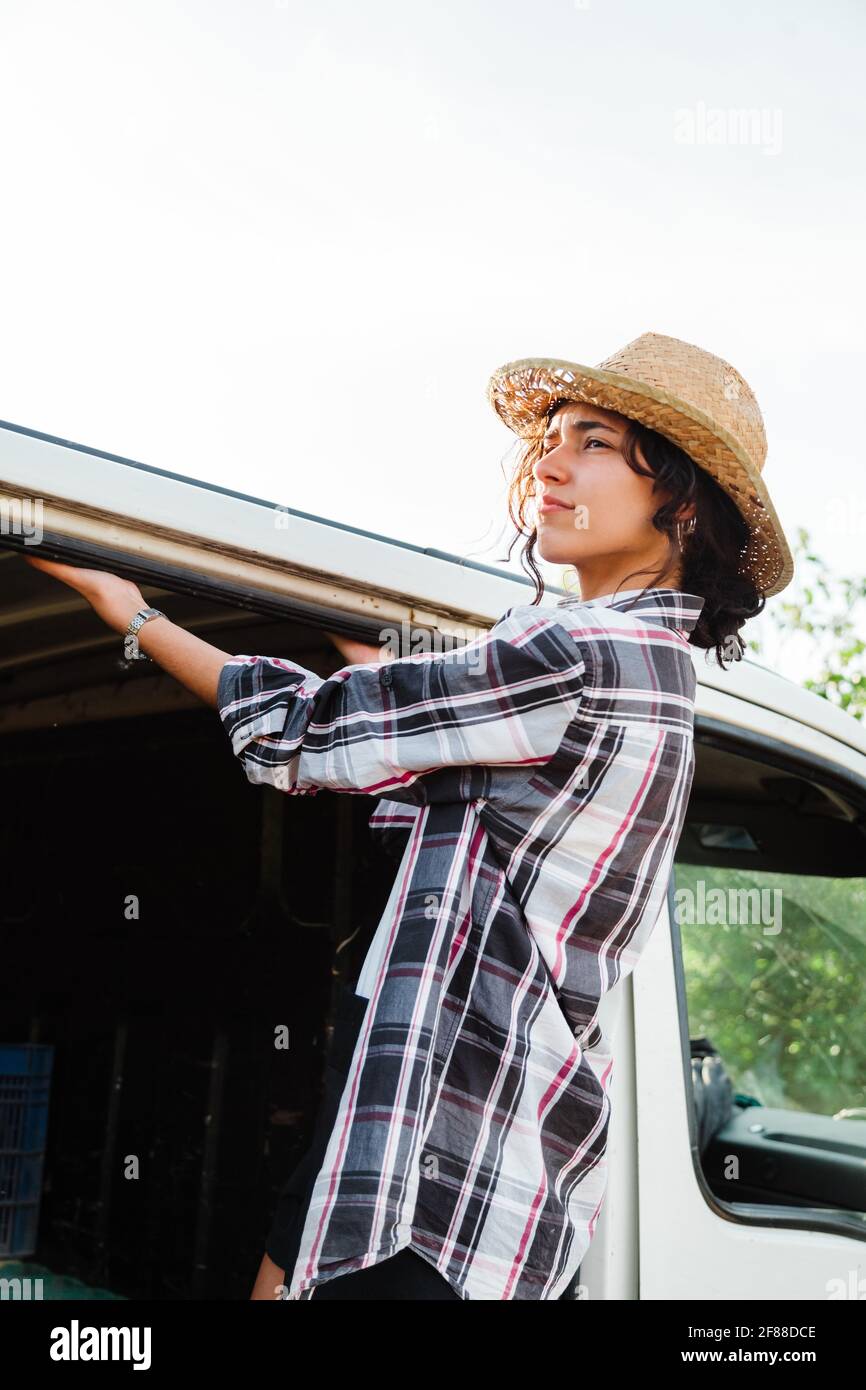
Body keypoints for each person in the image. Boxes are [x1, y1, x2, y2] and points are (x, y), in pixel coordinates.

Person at [25, 331, 793, 1300]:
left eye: (591, 442)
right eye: (549, 438)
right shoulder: (639, 668)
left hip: (441, 1165)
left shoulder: (582, 653)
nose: (548, 464)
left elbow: (301, 736)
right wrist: (390, 677)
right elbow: (440, 793)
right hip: (424, 1140)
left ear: (681, 499)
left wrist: (128, 610)